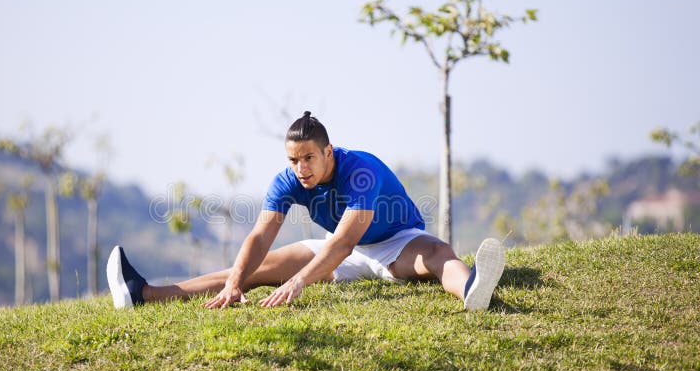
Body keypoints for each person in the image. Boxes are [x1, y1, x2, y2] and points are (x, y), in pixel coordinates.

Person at [107, 111, 505, 311]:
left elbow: (348, 242)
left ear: (327, 152)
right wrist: (236, 284)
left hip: (395, 243)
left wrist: (298, 282)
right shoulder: (287, 180)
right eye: (294, 160)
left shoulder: (360, 172)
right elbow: (260, 236)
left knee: (438, 254)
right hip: (337, 250)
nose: (302, 168)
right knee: (248, 272)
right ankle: (143, 294)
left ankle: (472, 290)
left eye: (309, 158)